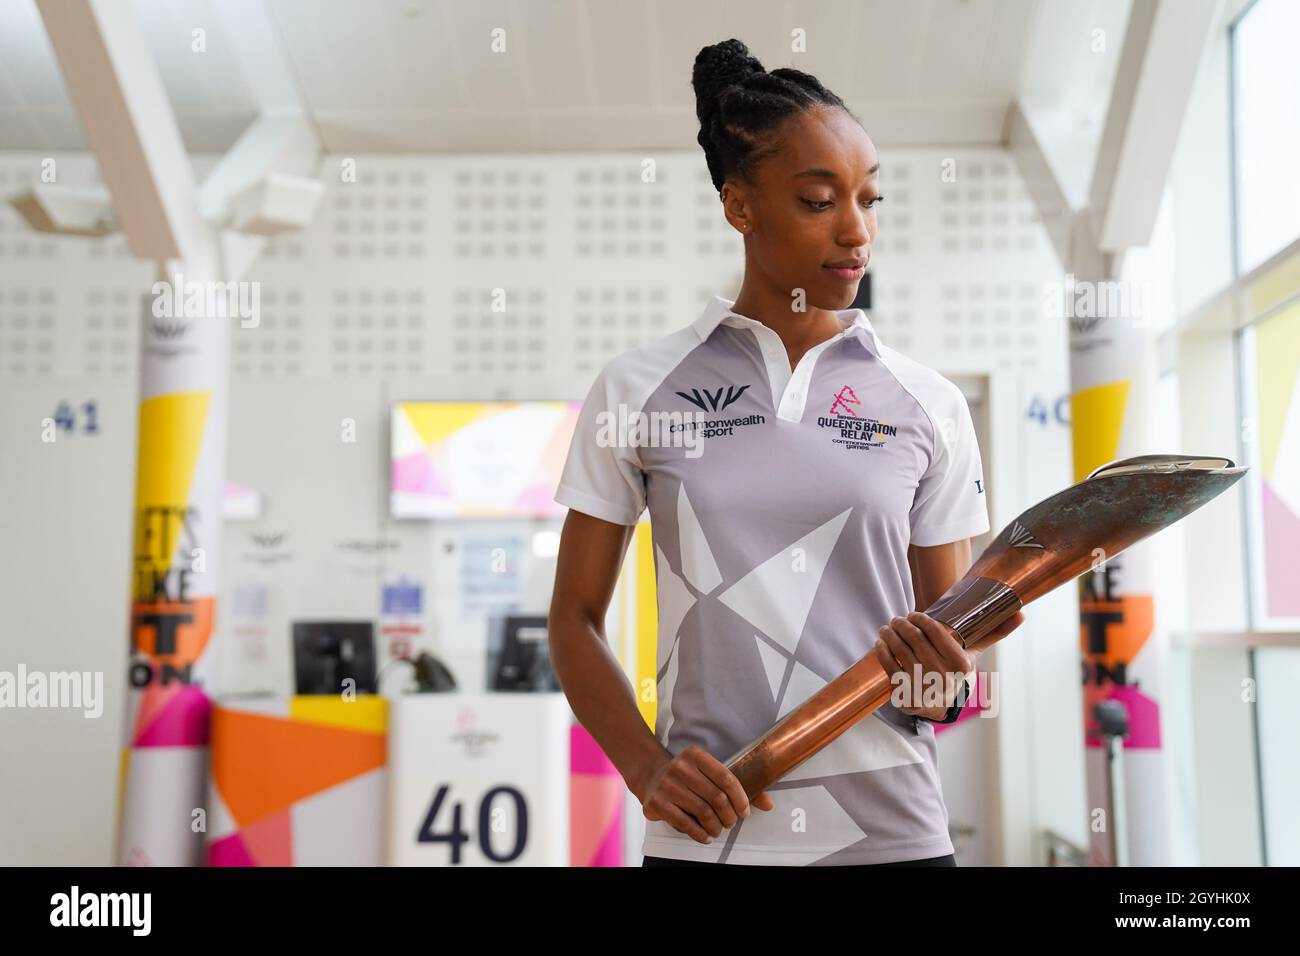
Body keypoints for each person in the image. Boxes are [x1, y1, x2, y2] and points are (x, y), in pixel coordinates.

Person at [547, 38, 1024, 867]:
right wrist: (645, 766)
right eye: (817, 200)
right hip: (706, 839)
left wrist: (943, 677)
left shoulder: (929, 403)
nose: (856, 231)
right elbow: (573, 619)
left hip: (894, 838)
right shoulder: (636, 389)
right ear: (741, 207)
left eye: (870, 200)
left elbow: (948, 681)